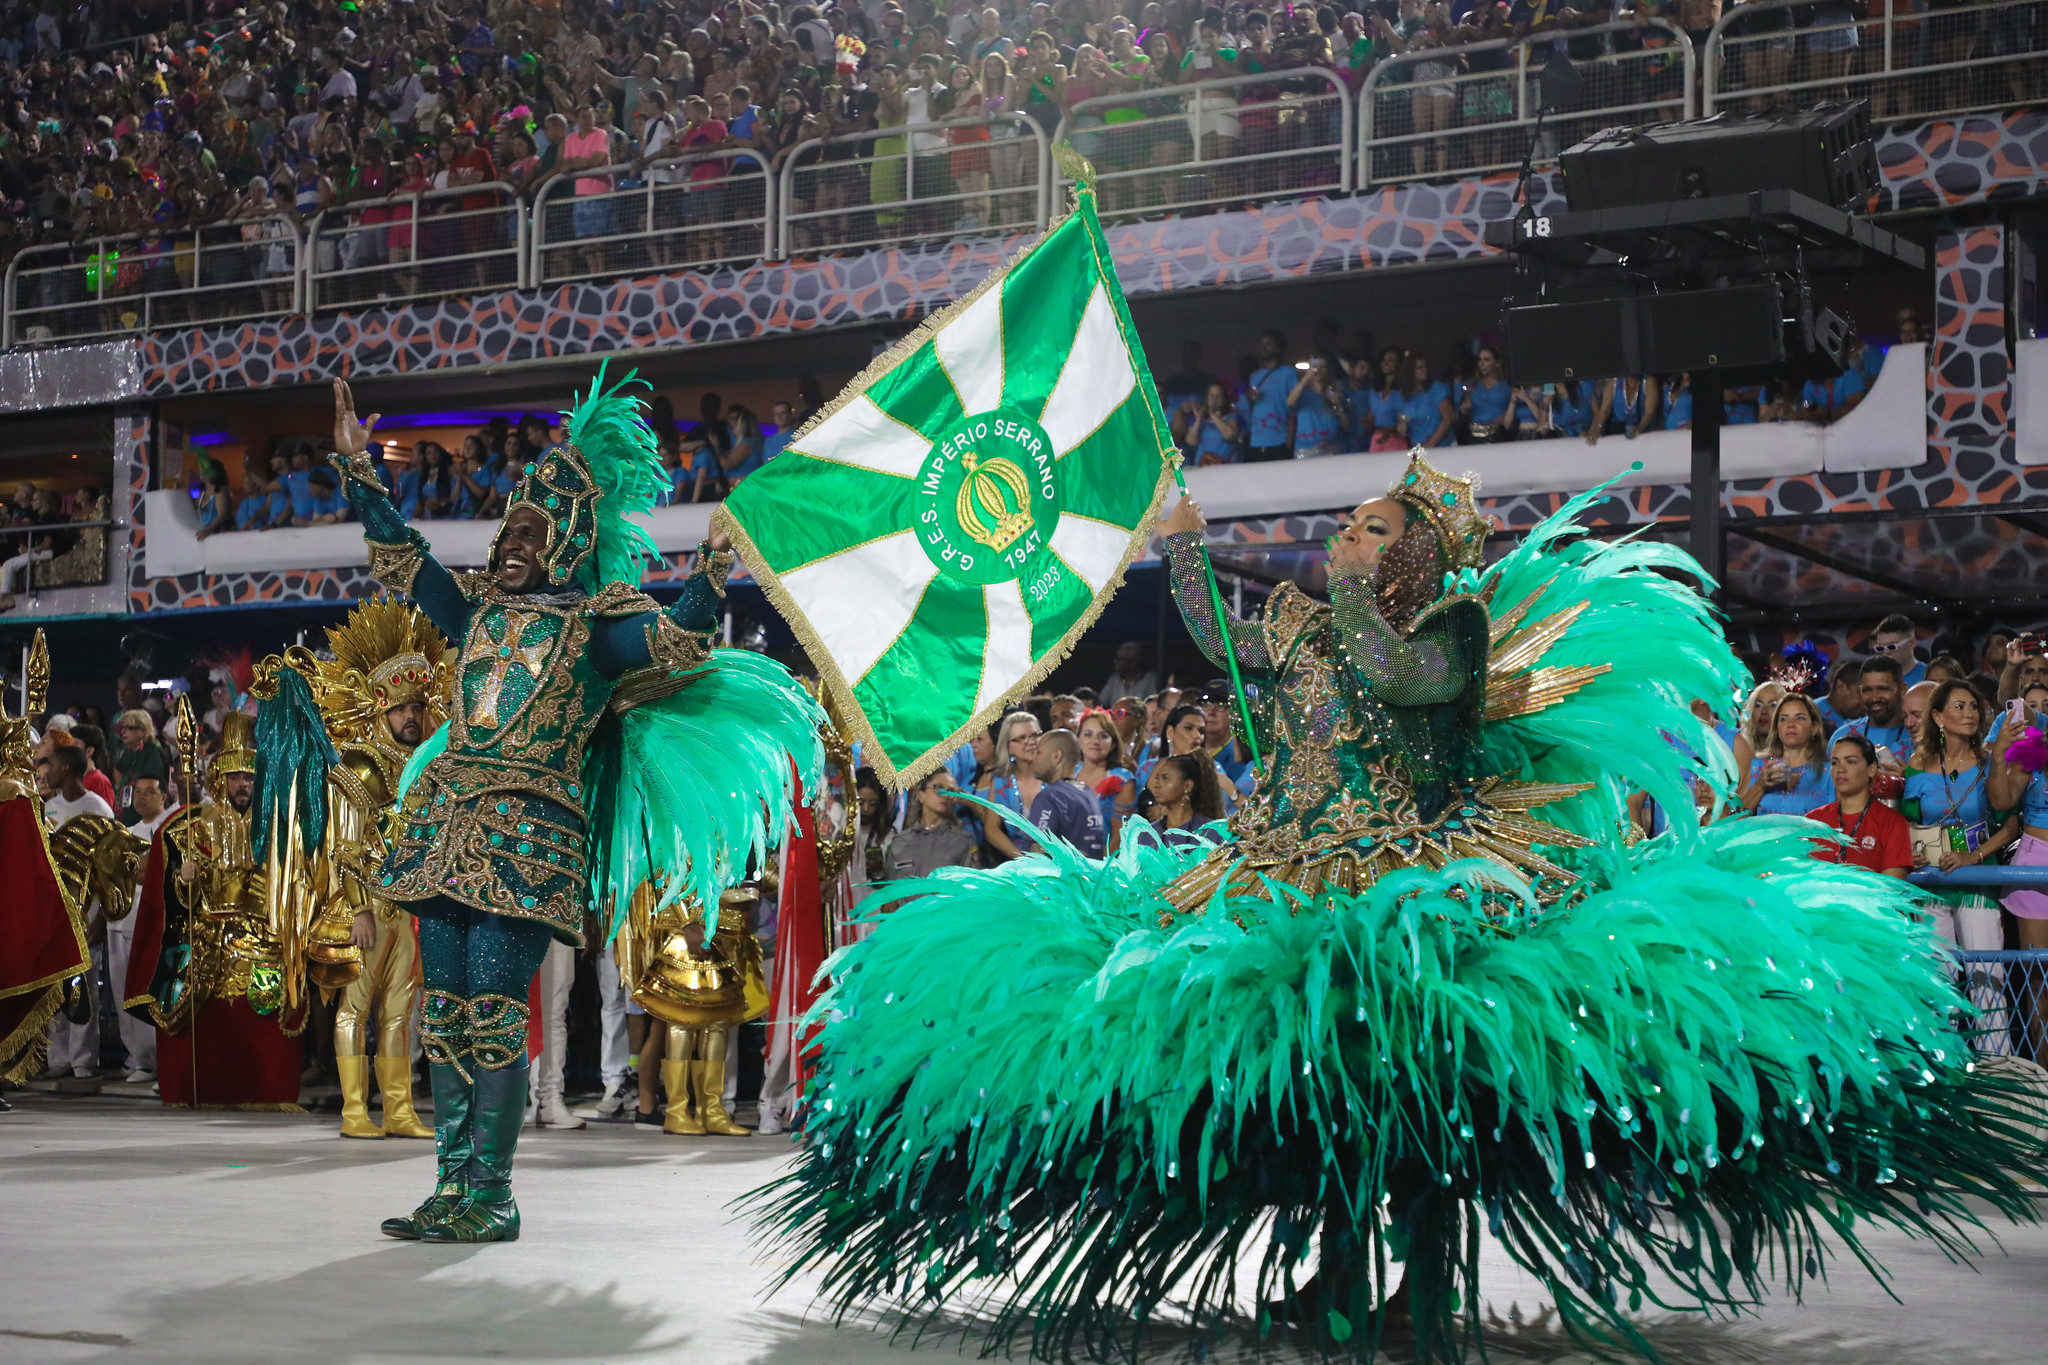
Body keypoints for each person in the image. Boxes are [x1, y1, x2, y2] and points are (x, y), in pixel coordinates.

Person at [761, 452, 2043, 1354]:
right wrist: (1182, 543)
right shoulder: (1310, 627)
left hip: (1416, 884)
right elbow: (1222, 638)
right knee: (1321, 1086)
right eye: (1350, 530)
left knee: (1409, 1082)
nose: (1345, 541)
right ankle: (1336, 1270)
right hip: (1281, 868)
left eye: (1372, 530)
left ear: (1418, 550)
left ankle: (1417, 1284)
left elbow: (1406, 675)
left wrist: (1350, 603)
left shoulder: (1447, 626)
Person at [316, 373, 819, 1242]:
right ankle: (450, 1189)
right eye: (508, 529)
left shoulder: (594, 624)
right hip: (444, 830)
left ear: (567, 543)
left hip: (526, 839)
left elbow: (676, 637)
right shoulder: (474, 608)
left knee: (493, 1011)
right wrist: (361, 474)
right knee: (446, 1014)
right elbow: (406, 561)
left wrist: (708, 570)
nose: (512, 544)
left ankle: (494, 1194)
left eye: (530, 534)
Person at [252, 600, 448, 1142]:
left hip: (412, 907)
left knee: (399, 1014)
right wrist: (359, 907)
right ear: (382, 711)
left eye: (417, 707)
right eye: (400, 709)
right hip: (368, 907)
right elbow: (343, 846)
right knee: (353, 1010)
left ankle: (401, 1110)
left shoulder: (428, 766)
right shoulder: (356, 766)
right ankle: (355, 1110)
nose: (410, 717)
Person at [124, 711, 306, 1109]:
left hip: (262, 944)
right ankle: (197, 1092)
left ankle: (265, 1093)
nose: (244, 784)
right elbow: (169, 900)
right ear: (220, 780)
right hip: (206, 945)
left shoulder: (278, 824)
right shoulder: (188, 826)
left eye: (250, 777)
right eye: (237, 777)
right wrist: (182, 879)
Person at [1901, 679, 2018, 1054]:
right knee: (1939, 980)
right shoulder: (1916, 766)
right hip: (1931, 884)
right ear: (1937, 716)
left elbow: (2011, 823)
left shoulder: (1988, 760)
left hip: (1976, 883)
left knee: (1987, 977)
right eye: (1959, 707)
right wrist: (1911, 851)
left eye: (1973, 707)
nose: (1969, 714)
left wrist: (1975, 856)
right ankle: (1943, 1070)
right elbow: (1907, 821)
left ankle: (1999, 1070)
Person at [1806, 733, 1910, 877]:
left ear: (1872, 769)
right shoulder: (1813, 821)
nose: (1840, 769)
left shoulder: (1892, 823)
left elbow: (1893, 889)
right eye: (1835, 763)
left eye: (1851, 762)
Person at [1738, 693, 1833, 817]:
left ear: (1814, 728)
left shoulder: (1829, 772)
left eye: (1800, 718)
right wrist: (1759, 786)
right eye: (1783, 718)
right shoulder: (1757, 767)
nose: (1790, 724)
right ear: (1777, 729)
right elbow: (1736, 820)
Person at [1017, 729, 1106, 858]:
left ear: (1056, 756)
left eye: (1038, 752)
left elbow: (1037, 854)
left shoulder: (1050, 797)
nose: (1033, 758)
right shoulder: (1088, 793)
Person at [882, 770, 980, 881]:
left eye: (951, 791)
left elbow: (971, 889)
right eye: (938, 788)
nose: (945, 795)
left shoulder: (963, 842)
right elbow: (889, 889)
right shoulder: (899, 842)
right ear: (921, 795)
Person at [1831, 654, 1913, 768]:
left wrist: (1908, 775)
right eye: (1867, 690)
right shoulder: (1842, 736)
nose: (1875, 698)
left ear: (1902, 689)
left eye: (1883, 689)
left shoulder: (1920, 735)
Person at [1098, 641, 1156, 705]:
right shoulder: (1114, 678)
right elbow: (1101, 701)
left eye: (1120, 659)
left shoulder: (1150, 678)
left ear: (1132, 663)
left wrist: (1137, 704)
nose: (1115, 662)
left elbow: (1152, 703)